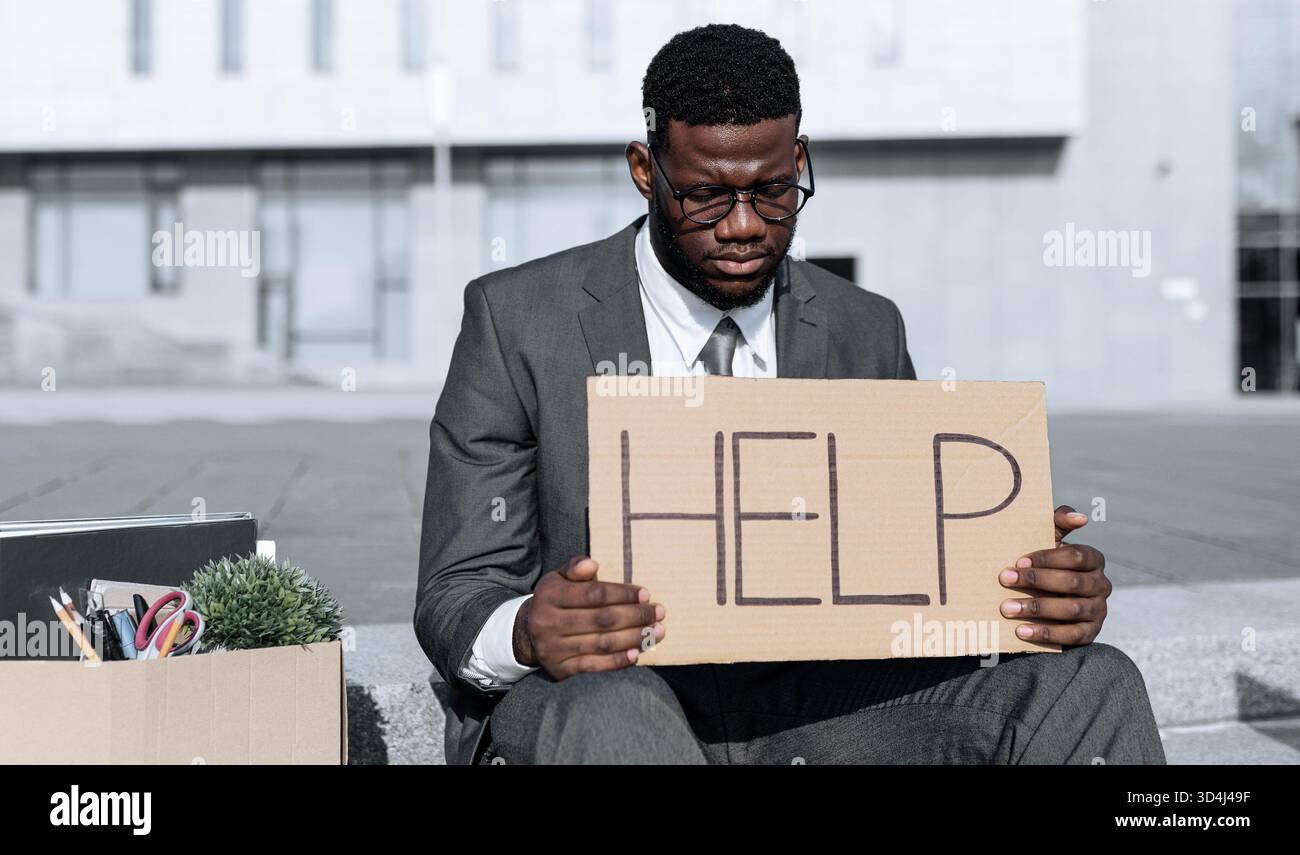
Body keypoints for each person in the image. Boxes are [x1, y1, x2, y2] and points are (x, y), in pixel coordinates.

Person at [415, 23, 1165, 765]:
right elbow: (456, 589)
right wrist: (527, 629)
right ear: (646, 170)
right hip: (603, 694)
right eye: (706, 196)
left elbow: (906, 567)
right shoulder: (517, 320)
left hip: (811, 710)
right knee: (621, 717)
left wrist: (1029, 590)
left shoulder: (865, 327)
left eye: (773, 191)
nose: (743, 225)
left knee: (1091, 682)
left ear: (798, 159)